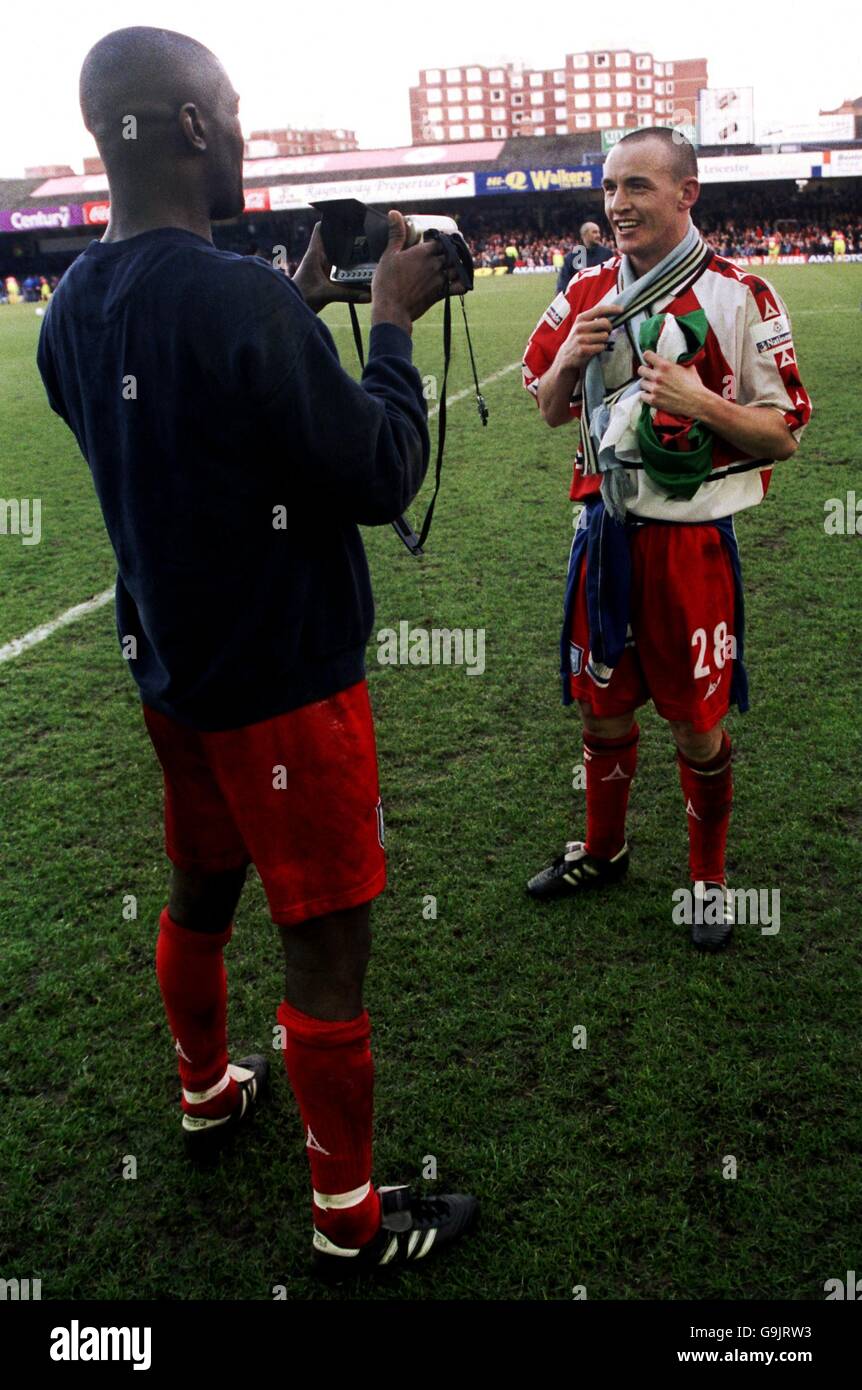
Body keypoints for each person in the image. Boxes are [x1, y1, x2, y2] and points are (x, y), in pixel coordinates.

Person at [37, 25, 476, 1277]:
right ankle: (347, 1216)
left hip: (171, 667)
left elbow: (190, 399)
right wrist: (387, 324)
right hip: (285, 680)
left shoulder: (73, 298)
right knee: (327, 938)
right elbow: (381, 464)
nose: (240, 128)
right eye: (229, 109)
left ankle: (204, 1089)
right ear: (186, 124)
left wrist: (293, 302)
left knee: (200, 888)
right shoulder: (233, 298)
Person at [522, 127, 811, 951]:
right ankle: (605, 851)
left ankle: (709, 880)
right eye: (610, 188)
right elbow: (546, 410)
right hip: (603, 541)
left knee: (696, 724)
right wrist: (568, 367)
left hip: (690, 551)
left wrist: (698, 401)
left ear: (687, 193)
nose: (618, 205)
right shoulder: (583, 292)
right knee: (603, 711)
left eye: (638, 187)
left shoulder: (739, 293)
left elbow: (784, 433)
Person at [557, 221, 613, 293]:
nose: (598, 235)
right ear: (584, 235)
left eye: (599, 232)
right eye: (594, 232)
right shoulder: (572, 257)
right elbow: (563, 284)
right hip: (579, 300)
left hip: (602, 300)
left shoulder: (607, 254)